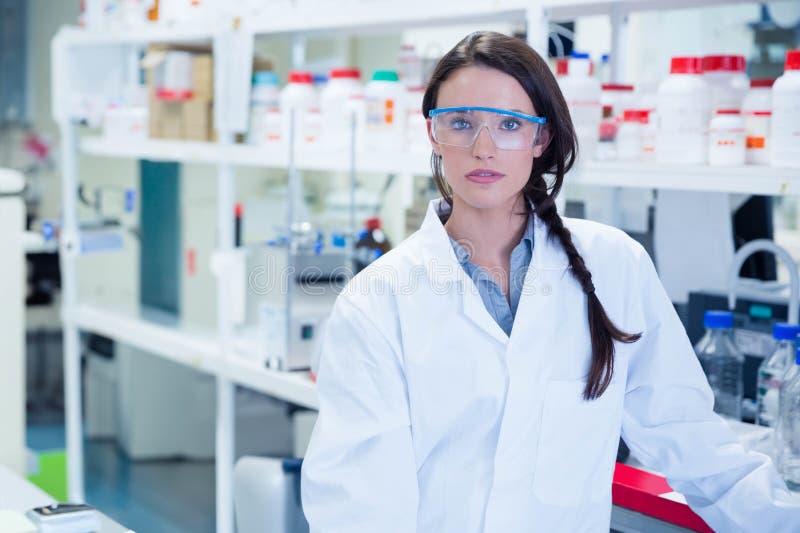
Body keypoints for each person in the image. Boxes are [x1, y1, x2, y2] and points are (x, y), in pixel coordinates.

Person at [300, 31, 800, 532]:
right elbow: (360, 510)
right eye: (461, 123)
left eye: (510, 125)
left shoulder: (614, 266)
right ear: (433, 133)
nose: (484, 147)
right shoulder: (377, 301)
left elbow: (691, 438)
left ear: (540, 139)